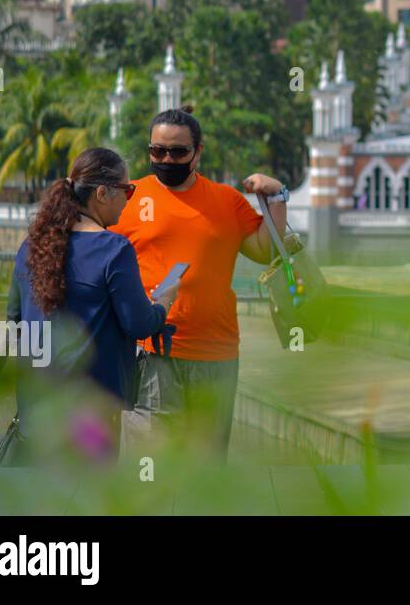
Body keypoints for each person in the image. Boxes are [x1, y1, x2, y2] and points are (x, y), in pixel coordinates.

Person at [110, 105, 288, 460]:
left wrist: (277, 197)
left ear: (198, 152)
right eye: (157, 151)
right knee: (150, 465)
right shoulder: (129, 198)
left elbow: (267, 251)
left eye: (178, 152)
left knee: (205, 463)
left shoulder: (226, 201)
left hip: (215, 353)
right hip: (151, 353)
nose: (166, 159)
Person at [7, 147, 178, 464]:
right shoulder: (114, 249)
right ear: (102, 192)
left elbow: (15, 319)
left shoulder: (31, 245)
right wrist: (163, 302)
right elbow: (139, 323)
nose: (129, 199)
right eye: (128, 190)